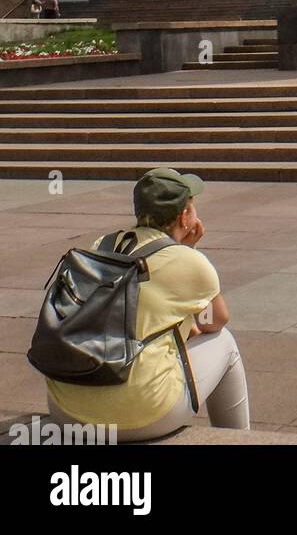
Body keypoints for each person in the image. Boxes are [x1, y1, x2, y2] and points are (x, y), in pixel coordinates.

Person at [46, 168, 250, 440]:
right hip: (140, 416)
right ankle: (241, 438)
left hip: (66, 410)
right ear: (184, 216)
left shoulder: (102, 244)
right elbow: (213, 321)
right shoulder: (187, 261)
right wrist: (191, 252)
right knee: (225, 343)